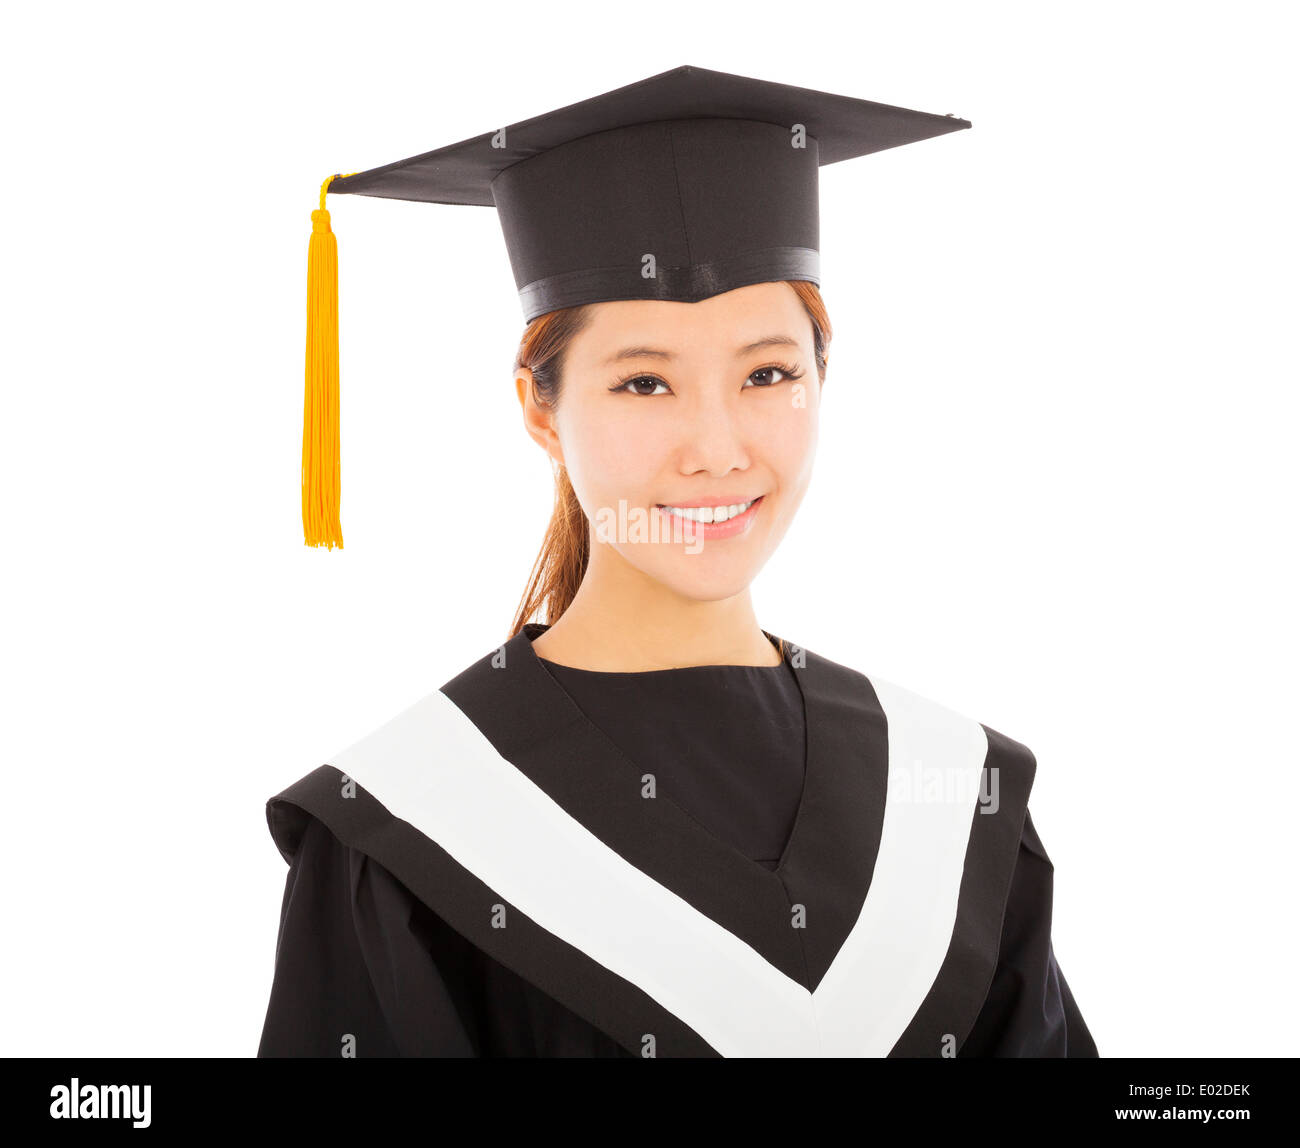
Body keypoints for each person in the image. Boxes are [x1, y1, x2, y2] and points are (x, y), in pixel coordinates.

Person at [259, 64, 1098, 1058]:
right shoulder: (407, 826)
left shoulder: (952, 799)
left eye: (768, 372)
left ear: (825, 374)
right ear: (540, 405)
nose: (716, 445)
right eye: (645, 381)